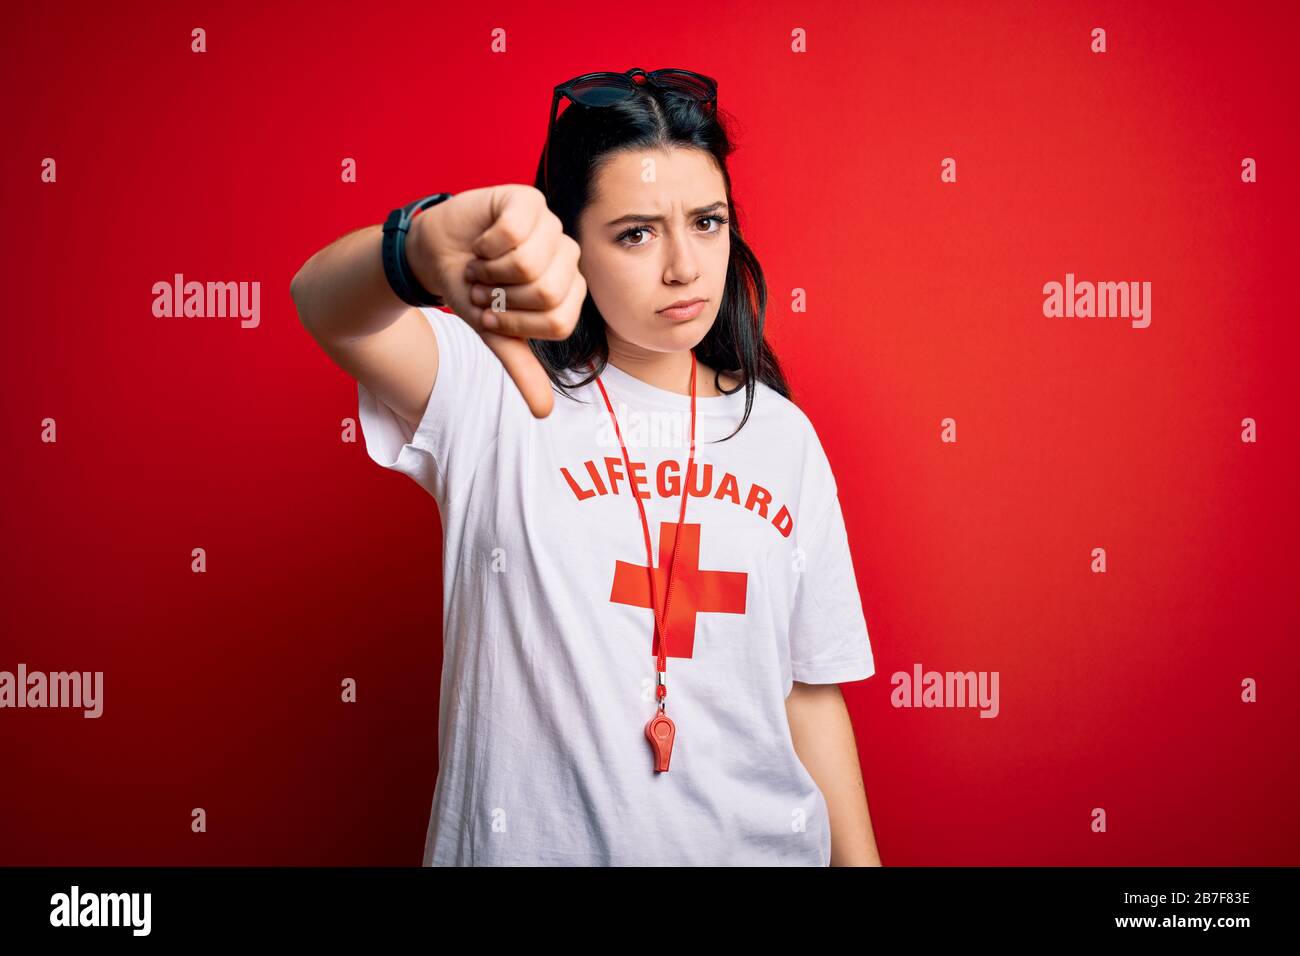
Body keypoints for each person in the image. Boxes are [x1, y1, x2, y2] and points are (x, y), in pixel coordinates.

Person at [290, 67, 881, 866]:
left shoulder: (784, 438)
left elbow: (808, 692)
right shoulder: (492, 391)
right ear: (569, 247)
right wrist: (414, 249)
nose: (685, 267)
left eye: (707, 223)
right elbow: (323, 304)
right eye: (635, 233)